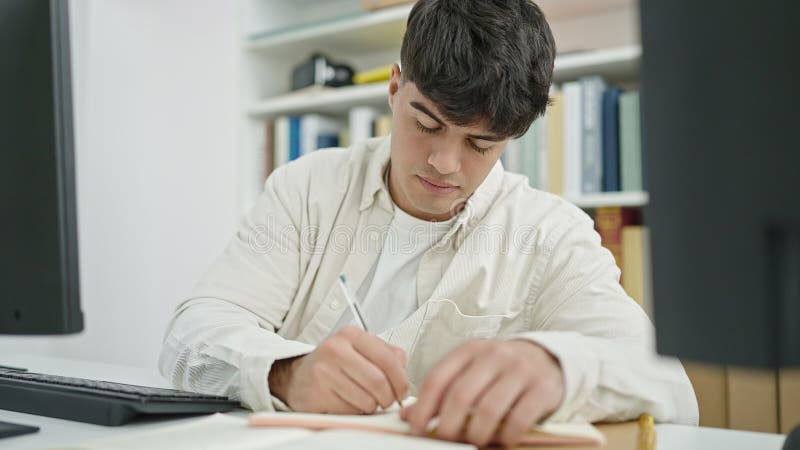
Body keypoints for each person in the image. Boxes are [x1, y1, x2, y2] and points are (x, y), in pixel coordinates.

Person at [159, 0, 699, 447]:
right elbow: (188, 338)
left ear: (511, 137)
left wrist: (558, 366)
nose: (444, 162)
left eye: (479, 144)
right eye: (425, 123)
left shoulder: (550, 234)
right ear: (395, 89)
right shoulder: (306, 189)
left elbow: (671, 387)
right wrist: (287, 372)